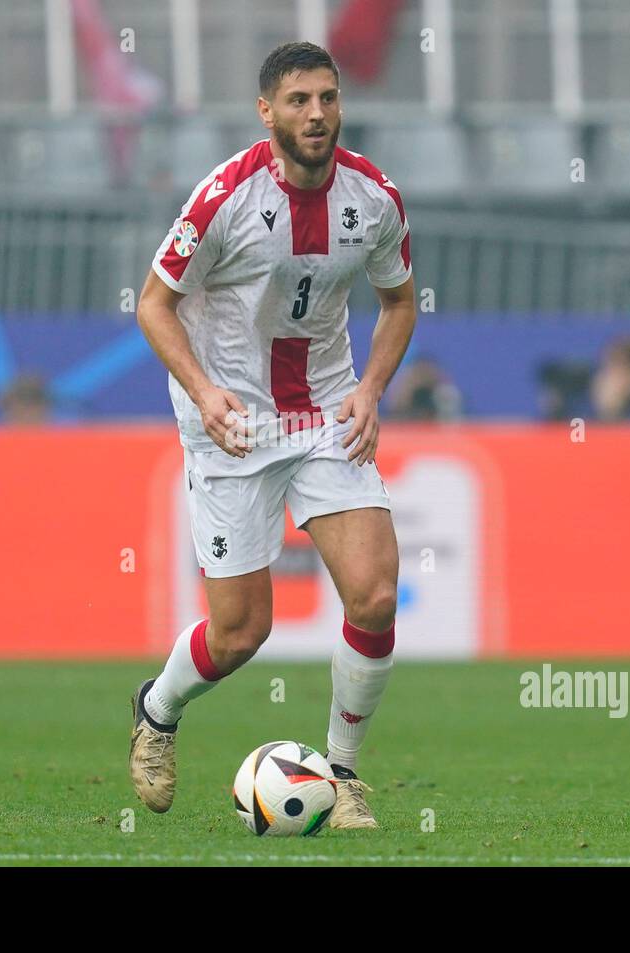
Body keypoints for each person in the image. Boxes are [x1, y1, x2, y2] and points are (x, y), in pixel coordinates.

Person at [131, 42, 416, 829]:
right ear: (267, 112)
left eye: (327, 97)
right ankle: (156, 710)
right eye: (298, 100)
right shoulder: (223, 197)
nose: (317, 113)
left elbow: (399, 302)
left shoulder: (376, 198)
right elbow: (153, 304)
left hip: (326, 412)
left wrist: (370, 389)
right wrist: (204, 393)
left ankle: (346, 773)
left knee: (376, 593)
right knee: (240, 631)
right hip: (234, 426)